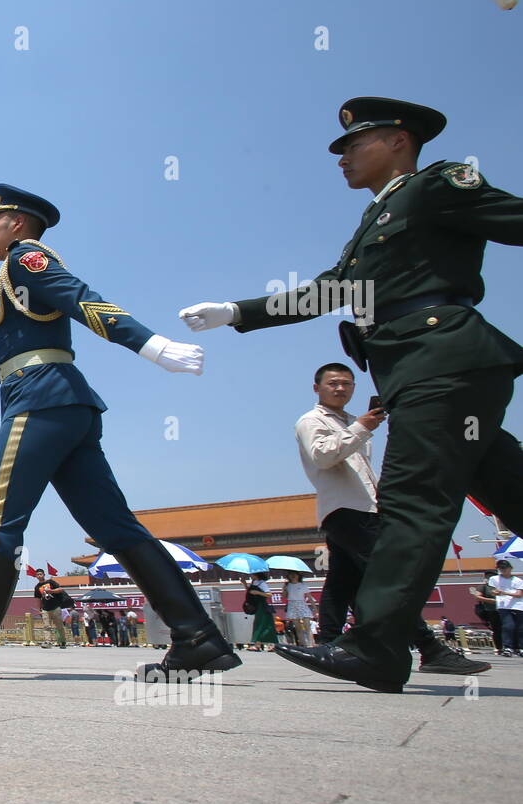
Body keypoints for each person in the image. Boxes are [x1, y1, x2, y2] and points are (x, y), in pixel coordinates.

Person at [181, 97, 523, 692]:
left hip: (440, 359)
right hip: (426, 368)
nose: (341, 158)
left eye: (353, 145)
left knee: (414, 500)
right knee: (509, 488)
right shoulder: (373, 222)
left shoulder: (436, 185)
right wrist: (238, 311)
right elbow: (327, 291)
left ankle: (377, 648)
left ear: (398, 141)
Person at [0, 184, 235, 681]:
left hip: (39, 398)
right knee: (115, 528)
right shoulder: (11, 276)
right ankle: (199, 638)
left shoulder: (27, 259)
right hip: (66, 405)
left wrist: (151, 346)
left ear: (16, 224)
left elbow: (81, 299)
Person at [291, 363, 487, 674]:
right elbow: (323, 456)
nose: (340, 389)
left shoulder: (354, 421)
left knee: (342, 583)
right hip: (346, 509)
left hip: (365, 507)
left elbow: (364, 472)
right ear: (317, 388)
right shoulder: (311, 420)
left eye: (347, 383)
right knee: (388, 579)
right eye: (333, 383)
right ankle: (430, 647)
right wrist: (361, 428)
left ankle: (328, 641)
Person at [489, 559, 523, 656]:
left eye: (505, 568)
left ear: (510, 568)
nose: (503, 570)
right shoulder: (494, 579)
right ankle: (508, 647)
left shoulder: (518, 581)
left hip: (518, 605)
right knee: (508, 626)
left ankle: (520, 647)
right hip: (503, 606)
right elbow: (492, 591)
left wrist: (504, 593)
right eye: (501, 569)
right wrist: (496, 592)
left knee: (520, 627)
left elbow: (519, 594)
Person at [32, 569, 68, 648]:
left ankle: (62, 641)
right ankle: (48, 642)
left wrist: (51, 591)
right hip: (45, 609)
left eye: (40, 574)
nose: (39, 576)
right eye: (37, 574)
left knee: (59, 626)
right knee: (46, 626)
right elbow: (38, 599)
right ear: (36, 576)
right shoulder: (37, 587)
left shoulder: (50, 582)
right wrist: (39, 610)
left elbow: (60, 589)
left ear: (44, 575)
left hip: (55, 607)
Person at [281, 571, 316, 646]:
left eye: (295, 574)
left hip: (302, 604)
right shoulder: (287, 585)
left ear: (298, 576)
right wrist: (284, 589)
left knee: (307, 626)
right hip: (292, 604)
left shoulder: (303, 585)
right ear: (288, 576)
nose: (293, 576)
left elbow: (310, 598)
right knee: (297, 627)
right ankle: (303, 644)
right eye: (291, 574)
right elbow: (284, 597)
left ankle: (310, 644)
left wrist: (315, 609)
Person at [473, 571, 503, 654]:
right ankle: (500, 647)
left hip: (505, 610)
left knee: (509, 627)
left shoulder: (501, 585)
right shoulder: (483, 586)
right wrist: (490, 600)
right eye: (489, 576)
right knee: (497, 629)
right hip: (492, 610)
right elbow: (477, 596)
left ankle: (512, 646)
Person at [247, 573, 276, 651]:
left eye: (252, 574)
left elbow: (269, 594)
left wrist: (257, 593)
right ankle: (258, 644)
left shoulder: (262, 583)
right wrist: (244, 584)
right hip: (257, 606)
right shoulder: (253, 582)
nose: (250, 575)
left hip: (263, 606)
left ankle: (270, 645)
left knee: (264, 624)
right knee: (259, 624)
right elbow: (249, 592)